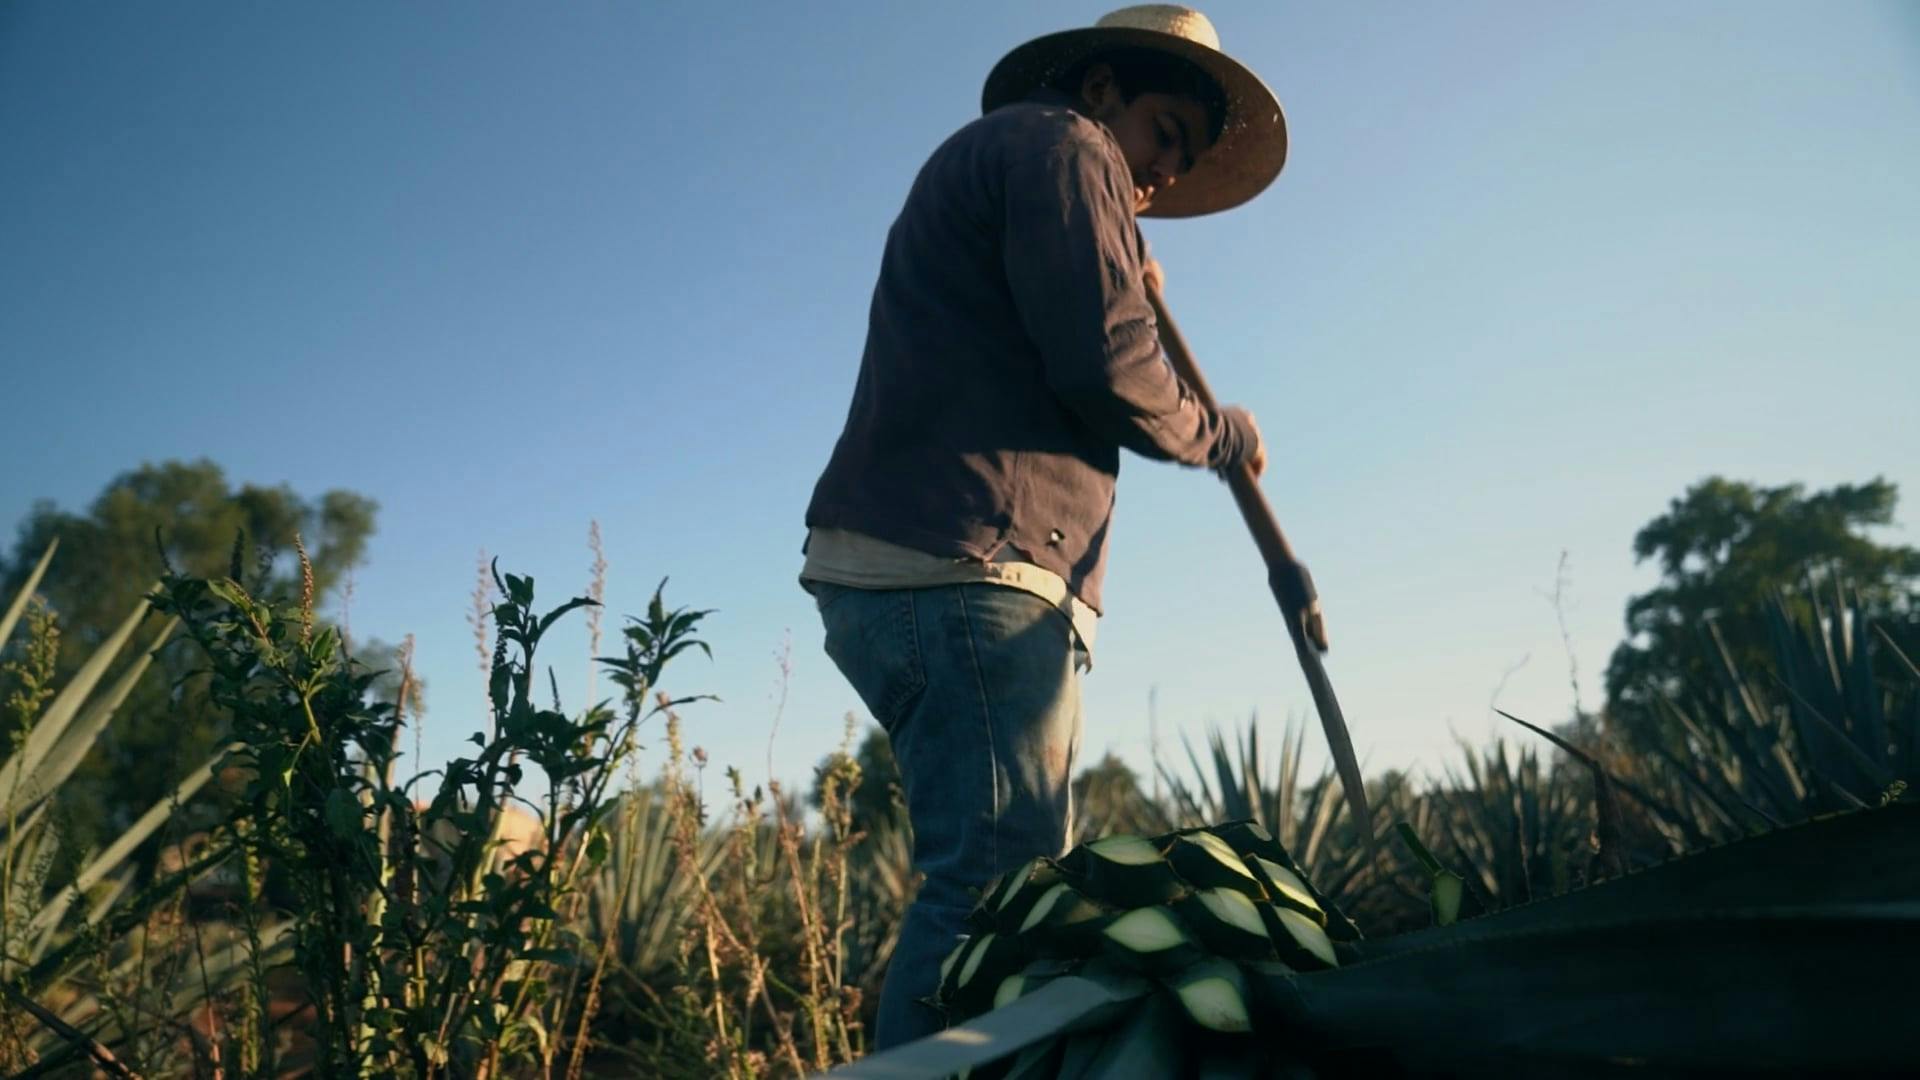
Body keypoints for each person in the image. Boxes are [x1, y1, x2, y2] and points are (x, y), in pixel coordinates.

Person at [799, 5, 1289, 1049]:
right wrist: (1219, 433)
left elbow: (1084, 330)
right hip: (970, 568)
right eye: (1163, 131)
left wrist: (1128, 269)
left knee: (986, 882)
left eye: (1187, 157)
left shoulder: (1023, 161)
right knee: (990, 893)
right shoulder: (1063, 145)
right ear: (1103, 89)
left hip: (914, 567)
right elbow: (1109, 363)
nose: (1162, 171)